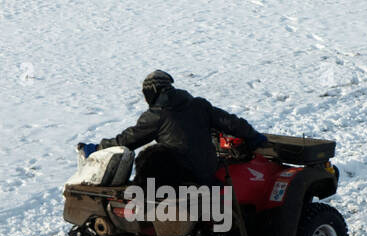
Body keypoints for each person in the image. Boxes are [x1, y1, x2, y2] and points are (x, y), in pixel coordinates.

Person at [81, 70, 266, 186]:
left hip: (180, 178)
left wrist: (98, 148)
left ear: (153, 93)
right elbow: (231, 122)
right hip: (207, 172)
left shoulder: (157, 115)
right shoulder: (199, 105)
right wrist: (253, 136)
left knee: (151, 156)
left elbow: (128, 140)